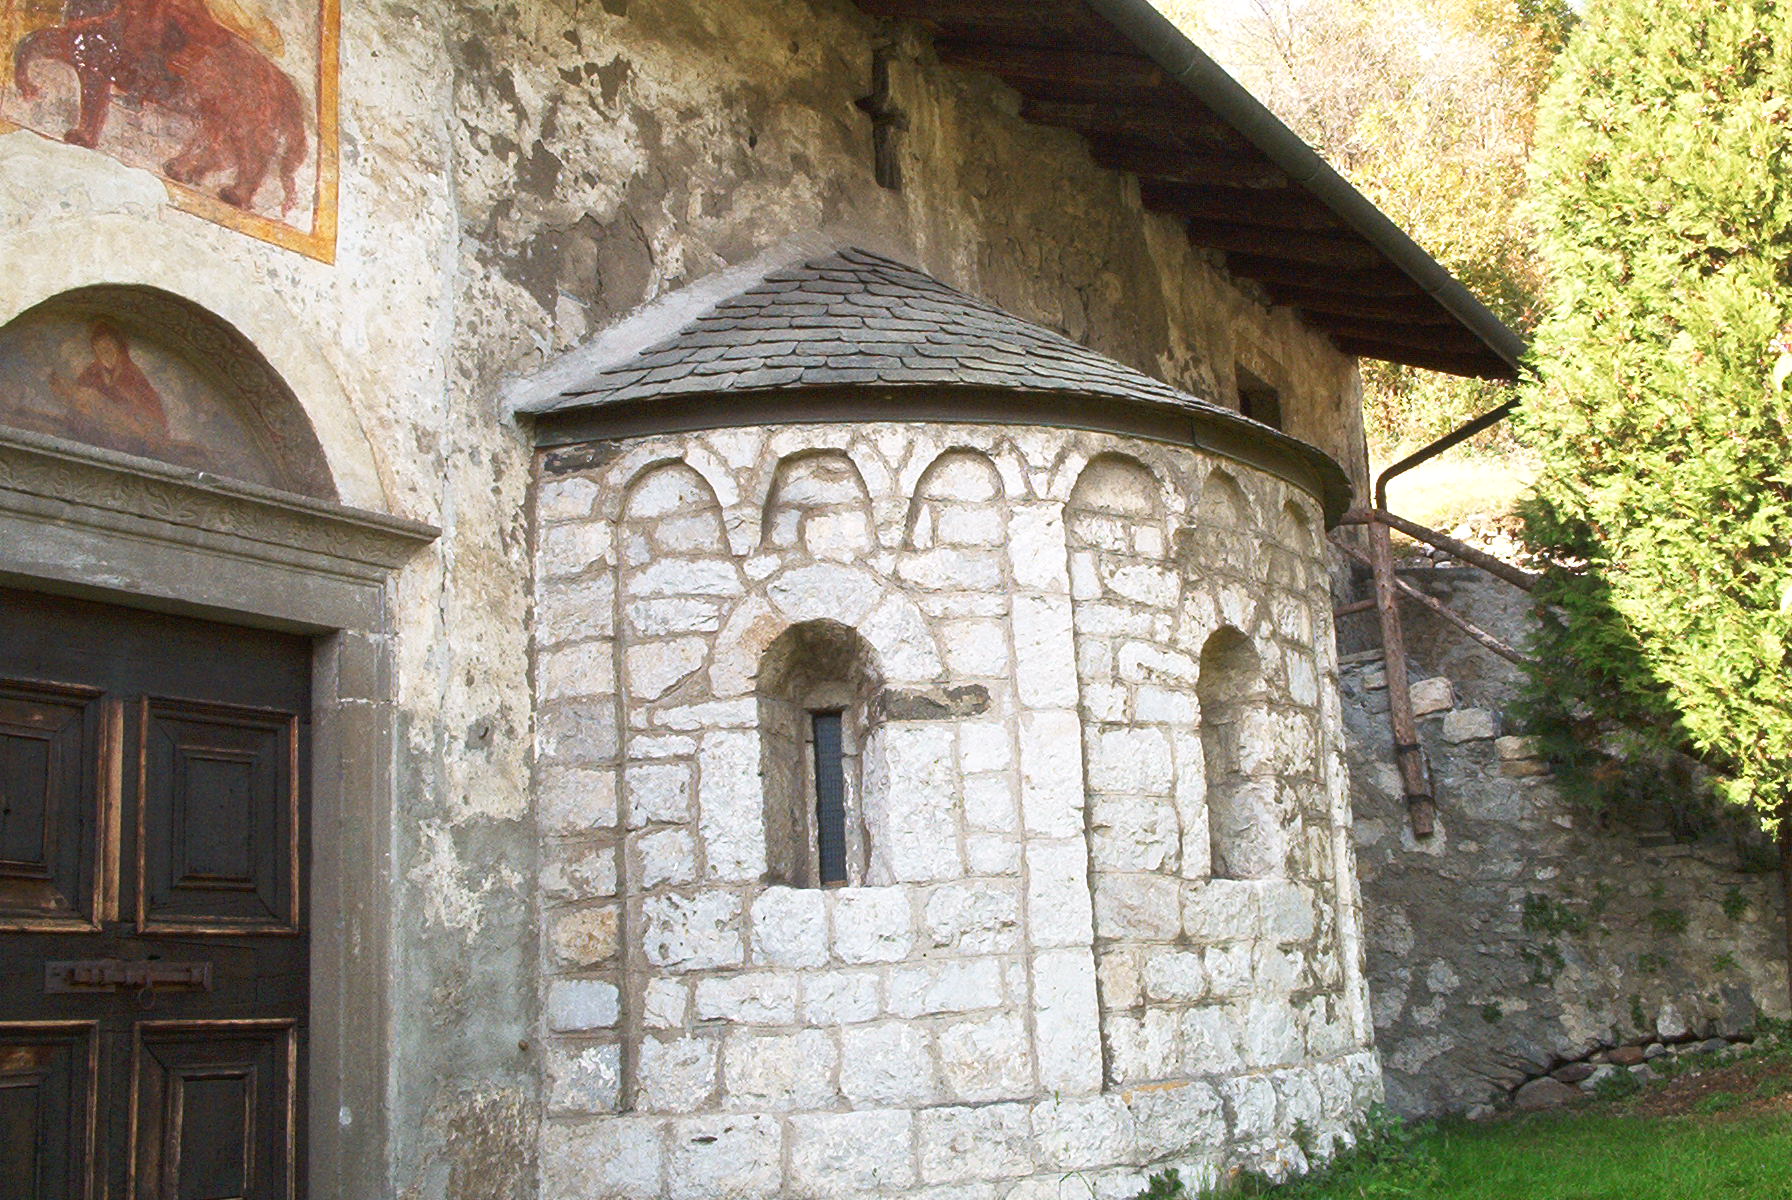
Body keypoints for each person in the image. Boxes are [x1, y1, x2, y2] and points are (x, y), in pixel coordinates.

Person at [50, 321, 170, 450]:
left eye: (108, 344)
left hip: (135, 423)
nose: (104, 349)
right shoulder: (92, 370)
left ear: (118, 347)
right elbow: (79, 394)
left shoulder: (131, 372)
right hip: (104, 424)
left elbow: (146, 403)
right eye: (99, 346)